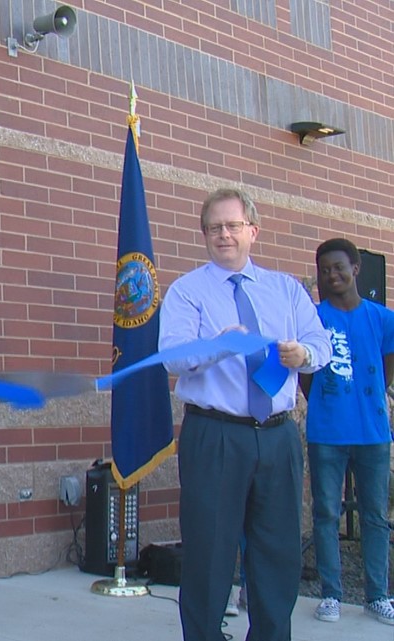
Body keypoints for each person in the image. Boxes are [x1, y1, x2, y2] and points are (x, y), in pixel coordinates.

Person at [159, 188, 331, 641]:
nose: (224, 235)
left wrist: (304, 353)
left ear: (253, 230)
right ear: (204, 234)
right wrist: (217, 346)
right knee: (209, 554)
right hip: (216, 435)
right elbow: (173, 357)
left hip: (277, 436)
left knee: (277, 553)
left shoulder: (286, 290)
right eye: (214, 227)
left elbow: (322, 345)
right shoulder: (187, 292)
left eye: (233, 226)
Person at [300, 237, 394, 626]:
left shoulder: (382, 317)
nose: (331, 275)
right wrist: (324, 400)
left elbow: (388, 363)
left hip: (373, 432)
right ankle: (331, 594)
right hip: (327, 433)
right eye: (324, 270)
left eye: (338, 267)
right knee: (326, 513)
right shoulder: (313, 318)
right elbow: (305, 374)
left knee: (375, 515)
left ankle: (377, 594)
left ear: (355, 268)